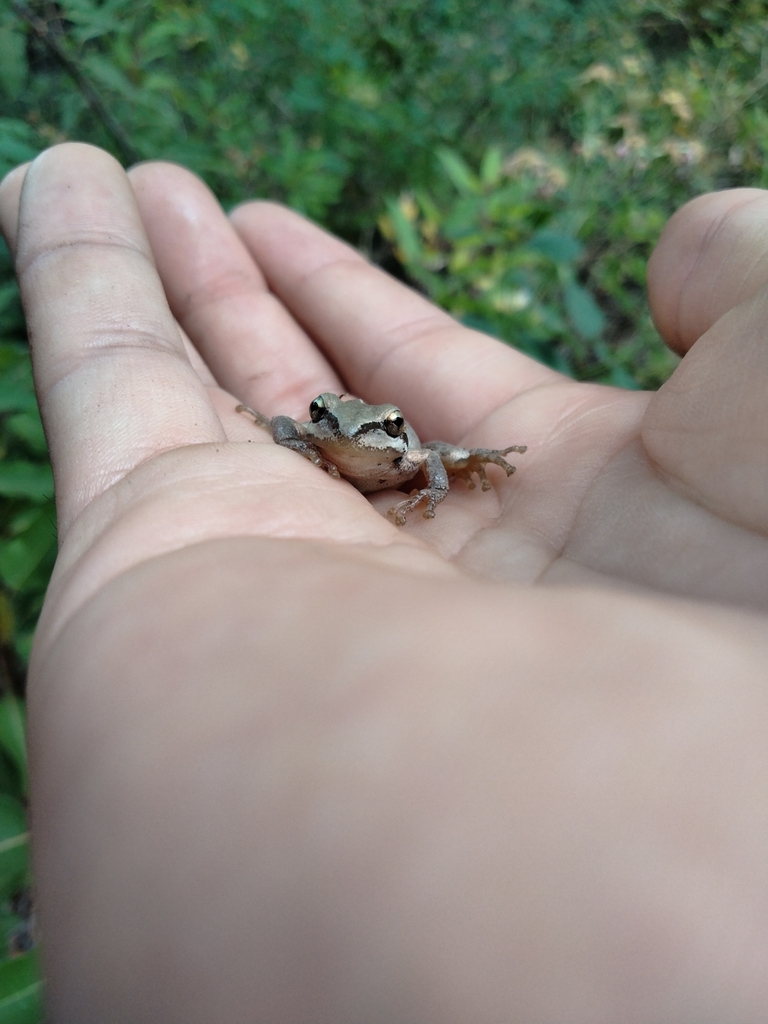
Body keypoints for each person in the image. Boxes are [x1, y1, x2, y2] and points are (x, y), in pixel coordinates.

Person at [0, 142, 765, 1023]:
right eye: (334, 421)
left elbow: (429, 466)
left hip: (414, 467)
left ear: (388, 429)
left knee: (463, 455)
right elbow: (288, 419)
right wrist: (290, 434)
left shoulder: (401, 452)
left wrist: (424, 496)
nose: (342, 430)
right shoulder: (323, 431)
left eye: (360, 424)